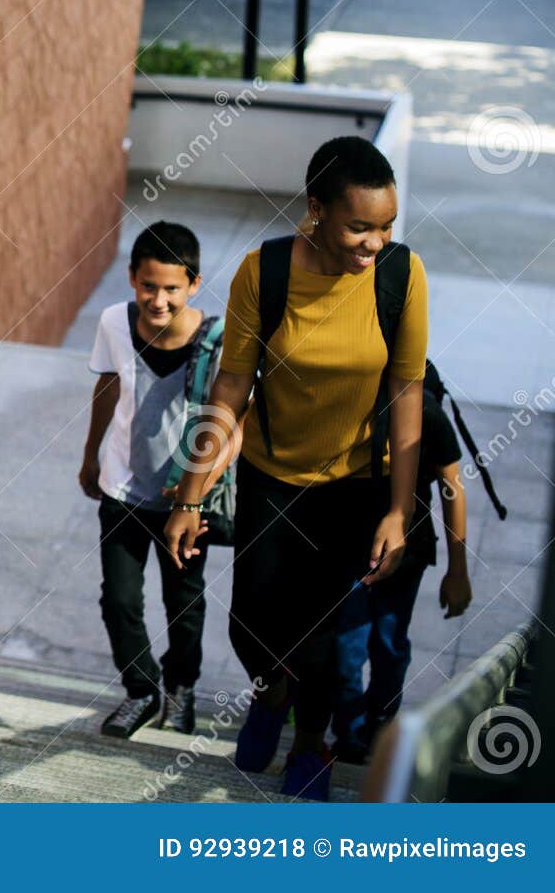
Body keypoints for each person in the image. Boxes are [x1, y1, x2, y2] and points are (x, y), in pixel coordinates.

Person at [168, 135, 428, 801]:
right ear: (316, 209)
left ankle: (312, 745)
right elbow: (230, 388)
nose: (375, 241)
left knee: (318, 635)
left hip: (353, 486)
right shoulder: (268, 271)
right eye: (359, 226)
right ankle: (271, 690)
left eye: (386, 226)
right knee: (249, 624)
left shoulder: (402, 277)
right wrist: (191, 497)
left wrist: (399, 510)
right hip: (269, 477)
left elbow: (406, 393)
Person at [79, 222, 236, 740]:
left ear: (193, 284)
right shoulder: (112, 323)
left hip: (183, 505)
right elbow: (106, 385)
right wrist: (90, 457)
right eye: (149, 286)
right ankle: (142, 690)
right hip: (123, 489)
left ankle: (182, 687)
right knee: (119, 600)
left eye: (172, 288)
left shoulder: (216, 341)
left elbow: (232, 423)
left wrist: (198, 490)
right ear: (132, 279)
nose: (159, 299)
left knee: (183, 603)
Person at [332, 362, 473, 761]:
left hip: (407, 550)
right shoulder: (345, 396)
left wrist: (458, 570)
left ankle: (380, 724)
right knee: (347, 647)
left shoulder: (425, 408)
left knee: (389, 641)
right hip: (349, 548)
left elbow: (452, 487)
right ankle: (349, 732)